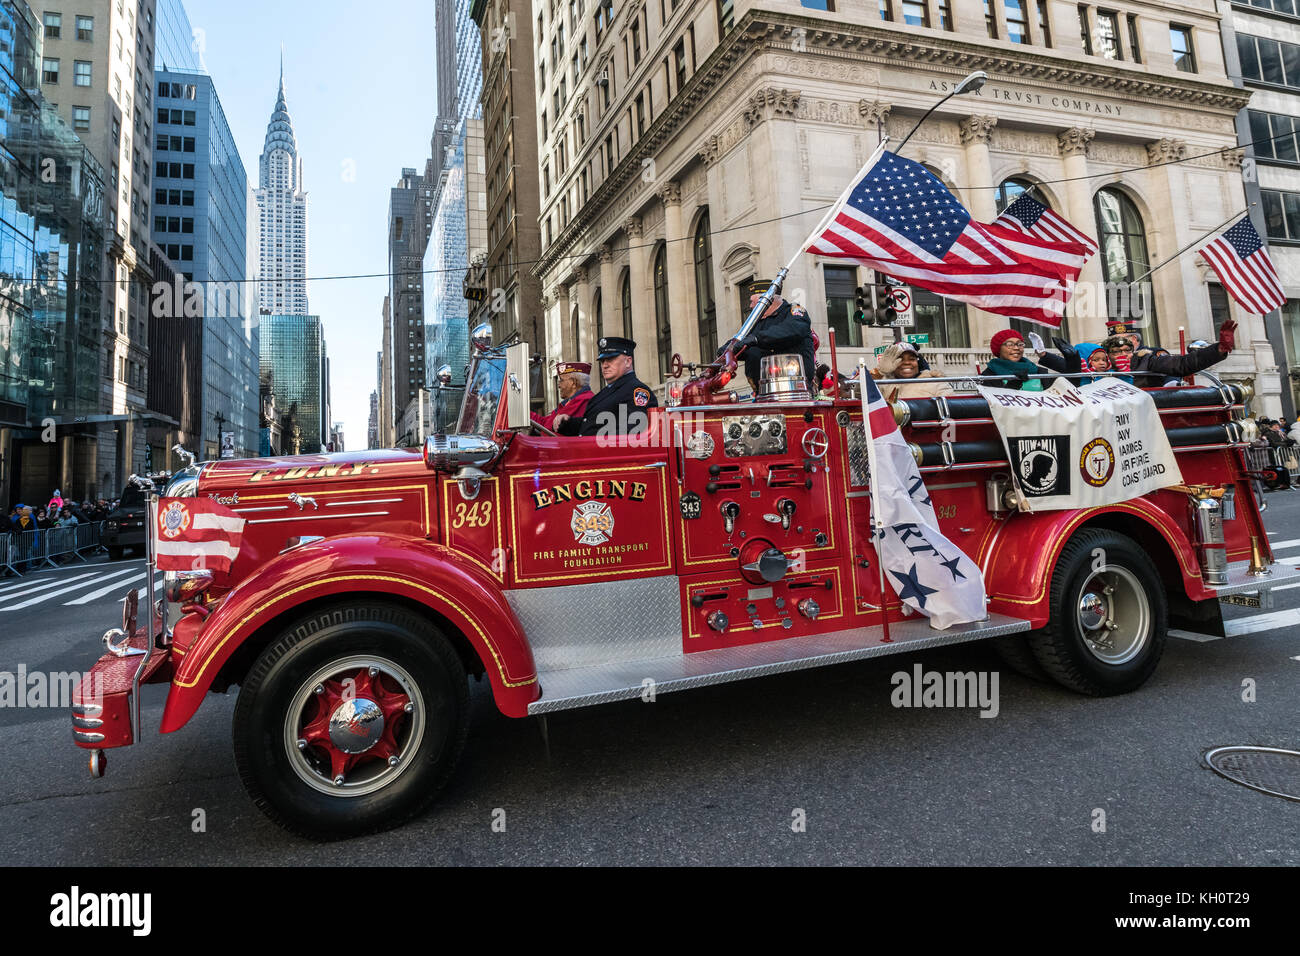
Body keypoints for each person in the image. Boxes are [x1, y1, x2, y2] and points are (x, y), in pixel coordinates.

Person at [555, 336, 658, 437]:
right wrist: (568, 422)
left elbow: (634, 433)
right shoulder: (609, 390)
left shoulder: (637, 391)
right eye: (602, 361)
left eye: (611, 359)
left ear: (628, 361)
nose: (605, 365)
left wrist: (594, 439)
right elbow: (593, 423)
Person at [730, 278, 817, 393]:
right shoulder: (755, 324)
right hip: (762, 393)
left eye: (753, 301)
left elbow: (792, 330)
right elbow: (741, 341)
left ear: (767, 300)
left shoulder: (795, 310)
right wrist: (727, 350)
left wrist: (756, 339)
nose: (750, 306)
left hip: (795, 391)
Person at [1101, 318, 1236, 385]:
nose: (1124, 355)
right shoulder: (1099, 368)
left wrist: (1218, 349)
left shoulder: (1146, 360)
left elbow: (1181, 364)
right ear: (1108, 354)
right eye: (1117, 352)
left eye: (1127, 350)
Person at [870, 342, 949, 400]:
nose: (907, 362)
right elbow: (859, 392)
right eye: (900, 359)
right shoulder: (883, 383)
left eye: (912, 359)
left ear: (918, 362)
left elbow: (952, 408)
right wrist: (879, 371)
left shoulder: (936, 383)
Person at [983, 330, 1058, 391]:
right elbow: (992, 405)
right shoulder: (988, 376)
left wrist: (1044, 355)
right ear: (999, 349)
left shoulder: (1039, 372)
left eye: (1020, 344)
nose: (1016, 348)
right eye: (1010, 344)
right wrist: (1012, 385)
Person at [532, 361, 594, 432]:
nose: (558, 385)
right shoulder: (573, 401)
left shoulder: (584, 401)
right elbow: (546, 423)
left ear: (573, 383)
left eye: (561, 380)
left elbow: (549, 427)